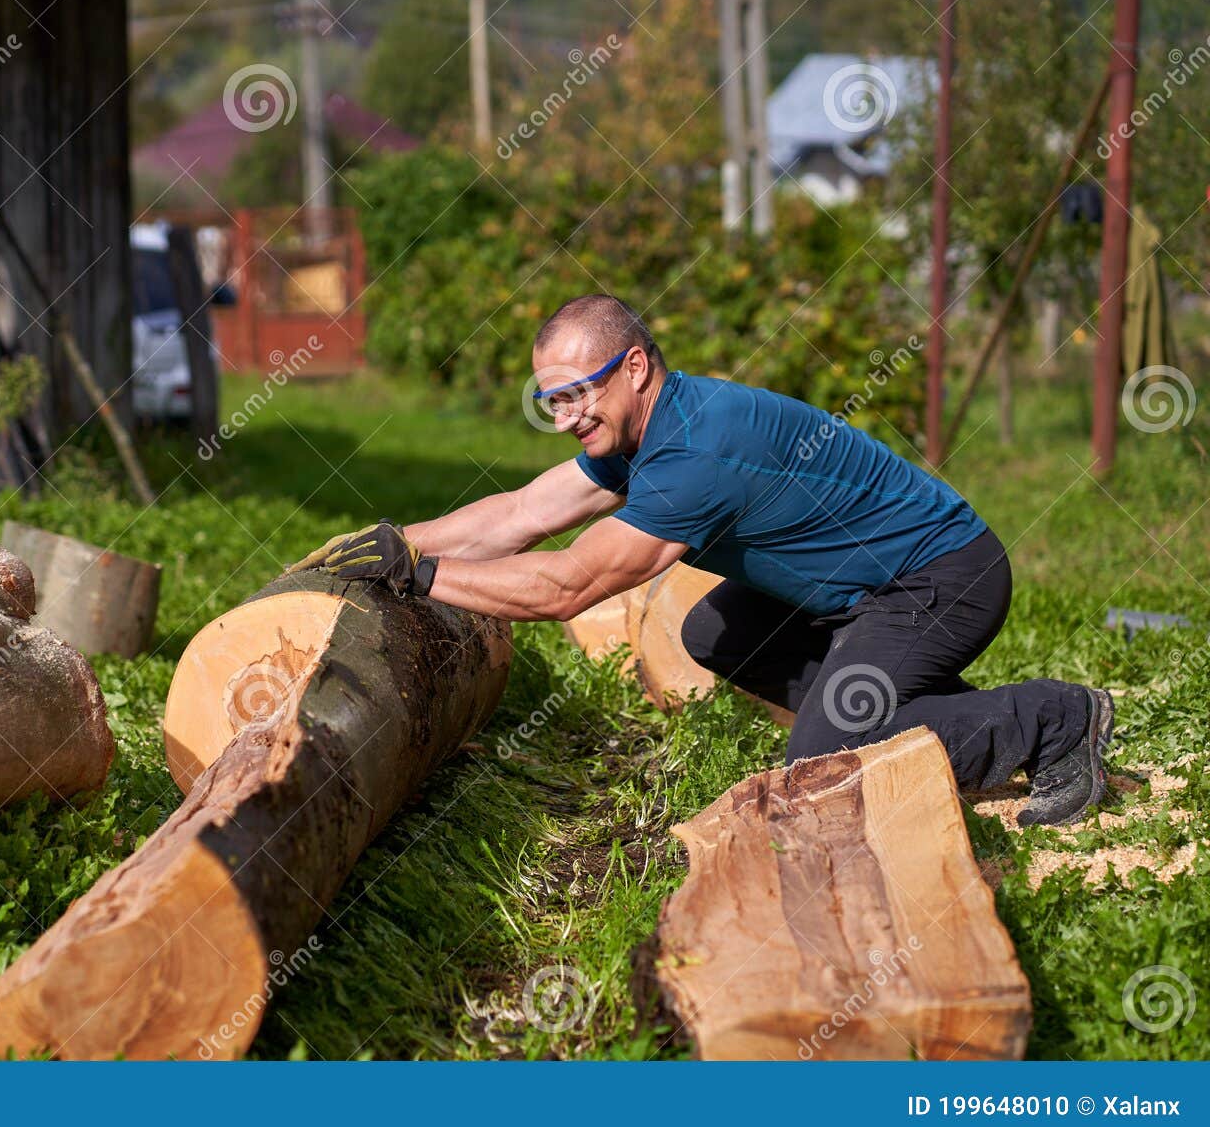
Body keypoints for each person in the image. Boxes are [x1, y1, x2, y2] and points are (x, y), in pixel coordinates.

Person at [296, 295, 1110, 827]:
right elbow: (523, 513)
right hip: (870, 591)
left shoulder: (695, 454)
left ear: (637, 367)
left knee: (821, 756)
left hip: (937, 579)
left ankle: (1056, 719)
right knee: (720, 627)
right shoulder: (647, 424)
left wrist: (421, 578)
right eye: (554, 402)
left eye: (579, 393)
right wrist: (404, 540)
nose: (569, 417)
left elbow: (569, 584)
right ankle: (923, 713)